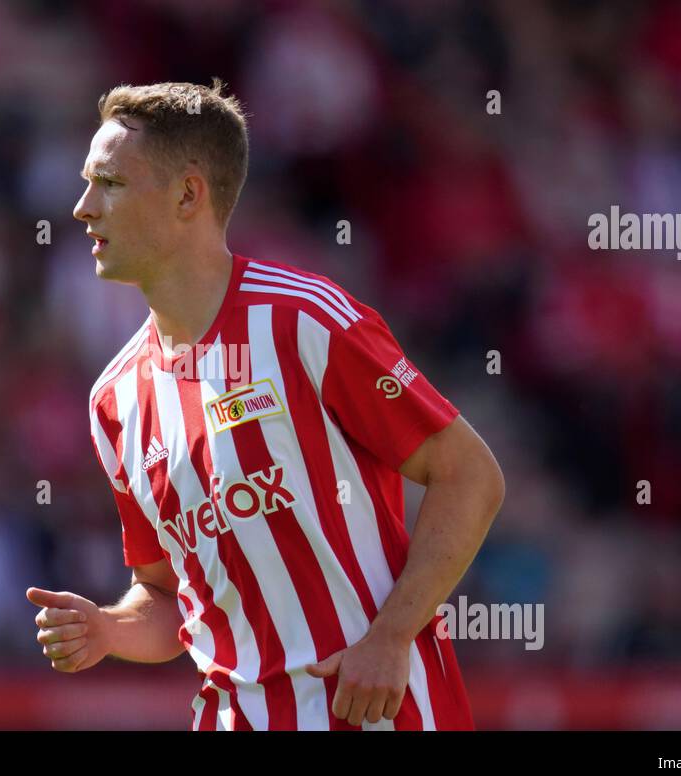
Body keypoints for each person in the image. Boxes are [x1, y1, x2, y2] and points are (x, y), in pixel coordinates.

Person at [26, 79, 505, 730]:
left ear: (188, 194)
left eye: (109, 183)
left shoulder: (303, 321)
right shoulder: (113, 400)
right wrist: (109, 627)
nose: (83, 207)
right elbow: (169, 596)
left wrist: (392, 635)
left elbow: (470, 475)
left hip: (382, 714)